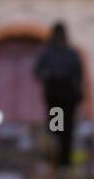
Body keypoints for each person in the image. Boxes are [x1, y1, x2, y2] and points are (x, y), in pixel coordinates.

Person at [33, 22, 84, 168]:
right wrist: (49, 76)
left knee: (65, 130)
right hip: (56, 96)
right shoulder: (50, 53)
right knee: (57, 129)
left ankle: (63, 161)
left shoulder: (68, 53)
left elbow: (78, 74)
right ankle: (56, 159)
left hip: (66, 97)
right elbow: (38, 72)